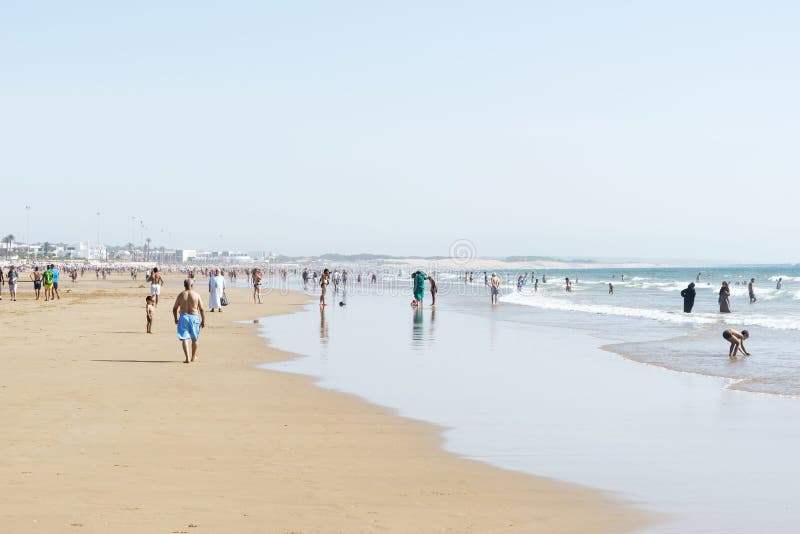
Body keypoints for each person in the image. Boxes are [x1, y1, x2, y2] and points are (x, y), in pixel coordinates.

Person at [172, 278, 205, 363]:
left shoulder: (180, 295)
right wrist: (203, 321)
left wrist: (175, 319)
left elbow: (174, 308)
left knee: (185, 338)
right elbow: (201, 309)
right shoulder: (196, 295)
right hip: (194, 317)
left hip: (183, 317)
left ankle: (187, 358)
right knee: (194, 339)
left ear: (184, 285)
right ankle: (193, 357)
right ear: (192, 285)